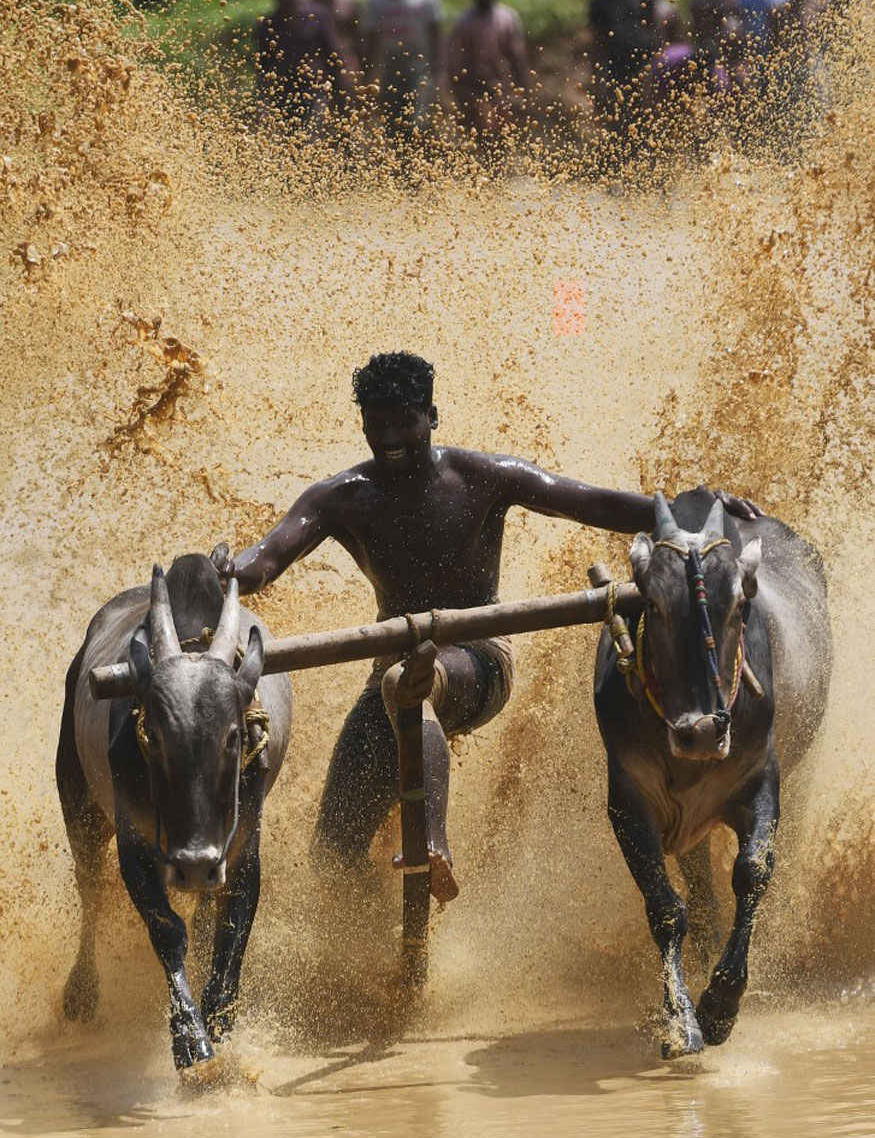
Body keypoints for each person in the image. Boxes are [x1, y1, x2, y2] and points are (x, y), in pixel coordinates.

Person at [213, 351, 761, 905]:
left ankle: (433, 844)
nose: (391, 439)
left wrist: (682, 513)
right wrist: (229, 571)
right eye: (376, 425)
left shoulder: (482, 477)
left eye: (404, 421)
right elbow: (266, 561)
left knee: (410, 679)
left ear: (432, 416)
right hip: (391, 676)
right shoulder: (339, 498)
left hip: (479, 658)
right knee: (333, 849)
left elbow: (588, 502)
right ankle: (374, 956)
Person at [254, 0, 352, 126]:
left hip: (314, 89)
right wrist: (261, 103)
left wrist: (341, 87)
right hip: (282, 92)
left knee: (312, 136)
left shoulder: (316, 16)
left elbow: (332, 52)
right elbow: (262, 66)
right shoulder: (268, 25)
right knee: (287, 140)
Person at [361, 0, 445, 141]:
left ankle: (419, 161)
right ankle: (397, 163)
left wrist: (440, 71)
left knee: (419, 121)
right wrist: (370, 74)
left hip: (419, 68)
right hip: (389, 70)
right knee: (392, 123)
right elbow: (371, 40)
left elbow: (437, 36)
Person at [447, 0, 528, 142]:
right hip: (475, 87)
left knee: (506, 134)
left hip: (503, 85)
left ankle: (504, 167)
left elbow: (517, 55)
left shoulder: (507, 18)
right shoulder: (464, 22)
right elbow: (456, 62)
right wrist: (460, 94)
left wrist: (524, 87)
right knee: (485, 133)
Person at [588, 0, 657, 120]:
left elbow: (654, 29)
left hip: (643, 60)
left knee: (646, 109)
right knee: (617, 111)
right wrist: (596, 79)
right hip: (615, 64)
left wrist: (657, 65)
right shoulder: (599, 2)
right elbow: (596, 42)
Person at [301, 0, 363, 77]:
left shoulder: (349, 3)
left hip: (345, 65)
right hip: (314, 65)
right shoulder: (304, 1)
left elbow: (358, 40)